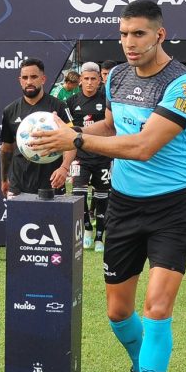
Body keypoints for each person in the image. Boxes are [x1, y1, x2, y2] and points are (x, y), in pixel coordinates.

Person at [29, 0, 186, 372]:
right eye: (124, 34)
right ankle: (141, 367)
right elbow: (113, 125)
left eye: (138, 34)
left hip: (170, 210)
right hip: (124, 208)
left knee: (157, 308)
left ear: (159, 35)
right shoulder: (117, 76)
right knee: (118, 312)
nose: (129, 42)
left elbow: (144, 146)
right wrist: (68, 139)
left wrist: (76, 139)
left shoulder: (183, 85)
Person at [0, 58, 75, 197]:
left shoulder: (59, 107)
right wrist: (4, 179)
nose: (29, 82)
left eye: (34, 77)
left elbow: (72, 142)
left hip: (51, 183)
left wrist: (64, 168)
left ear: (43, 79)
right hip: (18, 185)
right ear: (20, 80)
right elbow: (6, 148)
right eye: (25, 77)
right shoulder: (10, 110)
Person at [68, 61, 112, 252]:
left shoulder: (106, 100)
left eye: (93, 79)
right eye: (86, 78)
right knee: (78, 195)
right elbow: (68, 132)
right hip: (80, 156)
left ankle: (100, 237)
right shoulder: (71, 102)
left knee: (102, 197)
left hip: (102, 155)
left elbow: (111, 128)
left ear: (99, 80)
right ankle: (87, 228)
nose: (89, 82)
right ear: (80, 80)